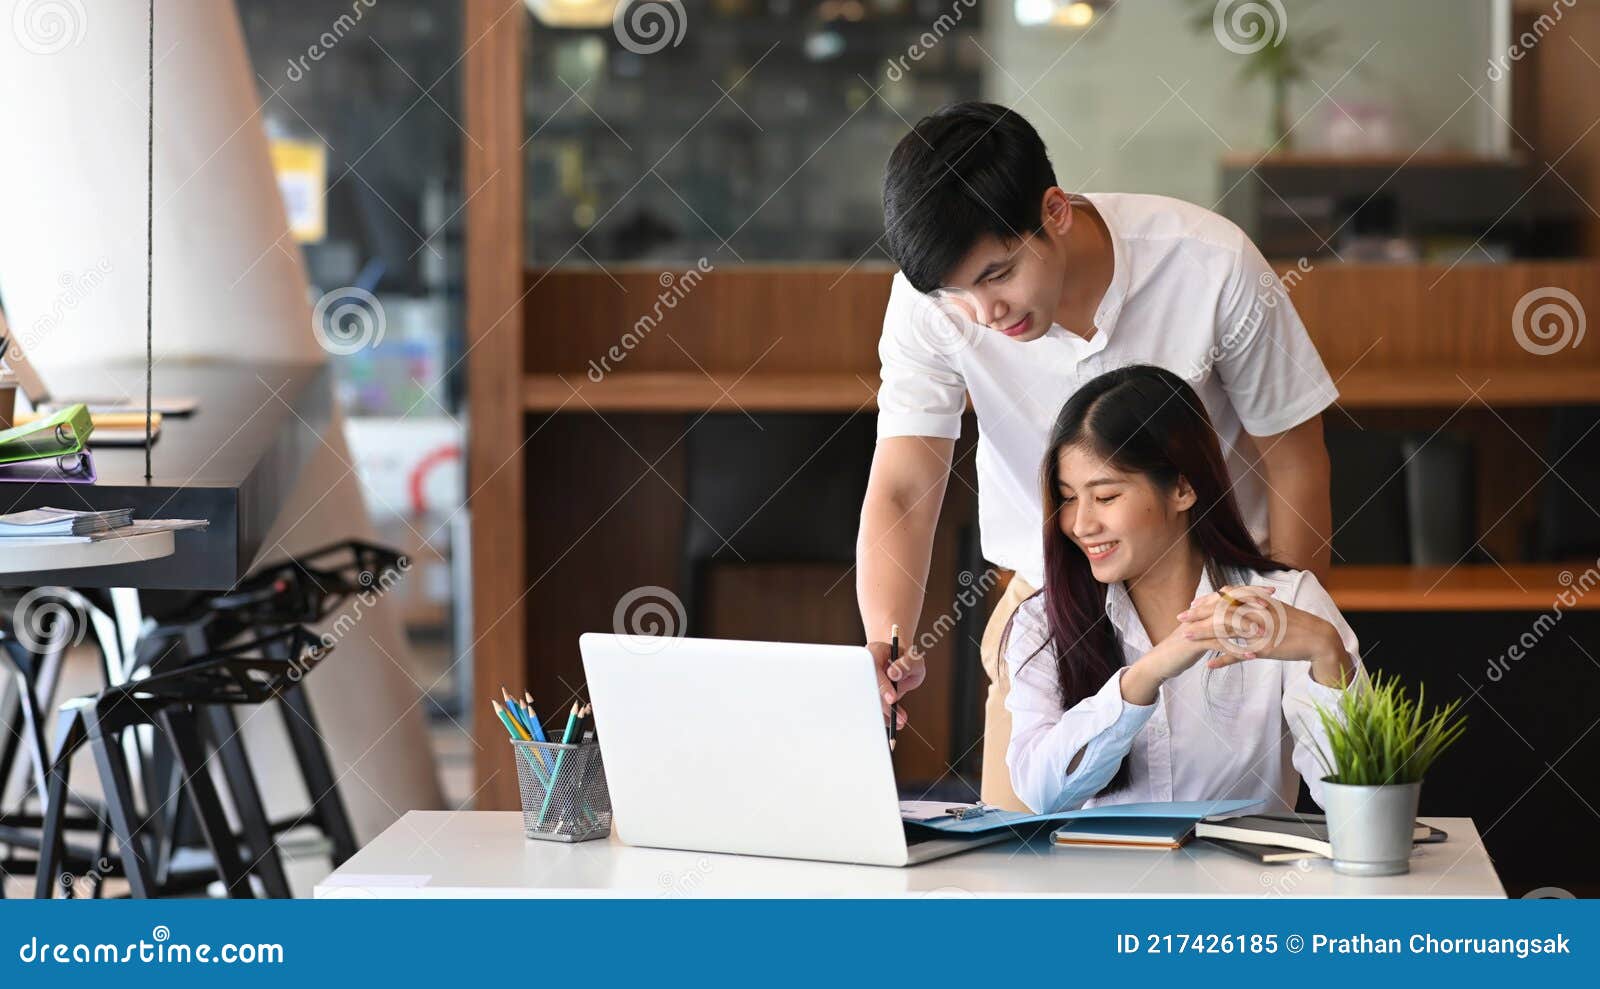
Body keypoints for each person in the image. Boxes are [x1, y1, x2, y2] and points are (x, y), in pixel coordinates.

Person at [858, 102, 1339, 809]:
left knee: (1234, 863)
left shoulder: (1211, 264)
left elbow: (1297, 459)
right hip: (1050, 607)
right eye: (955, 294)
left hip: (1220, 598)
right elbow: (903, 485)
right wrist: (884, 642)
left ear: (1054, 211)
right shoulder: (932, 300)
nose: (982, 314)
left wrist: (1287, 626)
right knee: (1016, 878)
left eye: (998, 275)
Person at [1002, 365, 1359, 813]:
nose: (1080, 524)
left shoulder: (1286, 602)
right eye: (1069, 497)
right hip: (1104, 881)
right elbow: (1041, 794)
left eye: (1106, 497)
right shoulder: (1043, 622)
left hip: (1245, 883)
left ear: (1183, 488)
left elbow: (1357, 803)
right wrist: (1148, 673)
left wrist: (1329, 654)